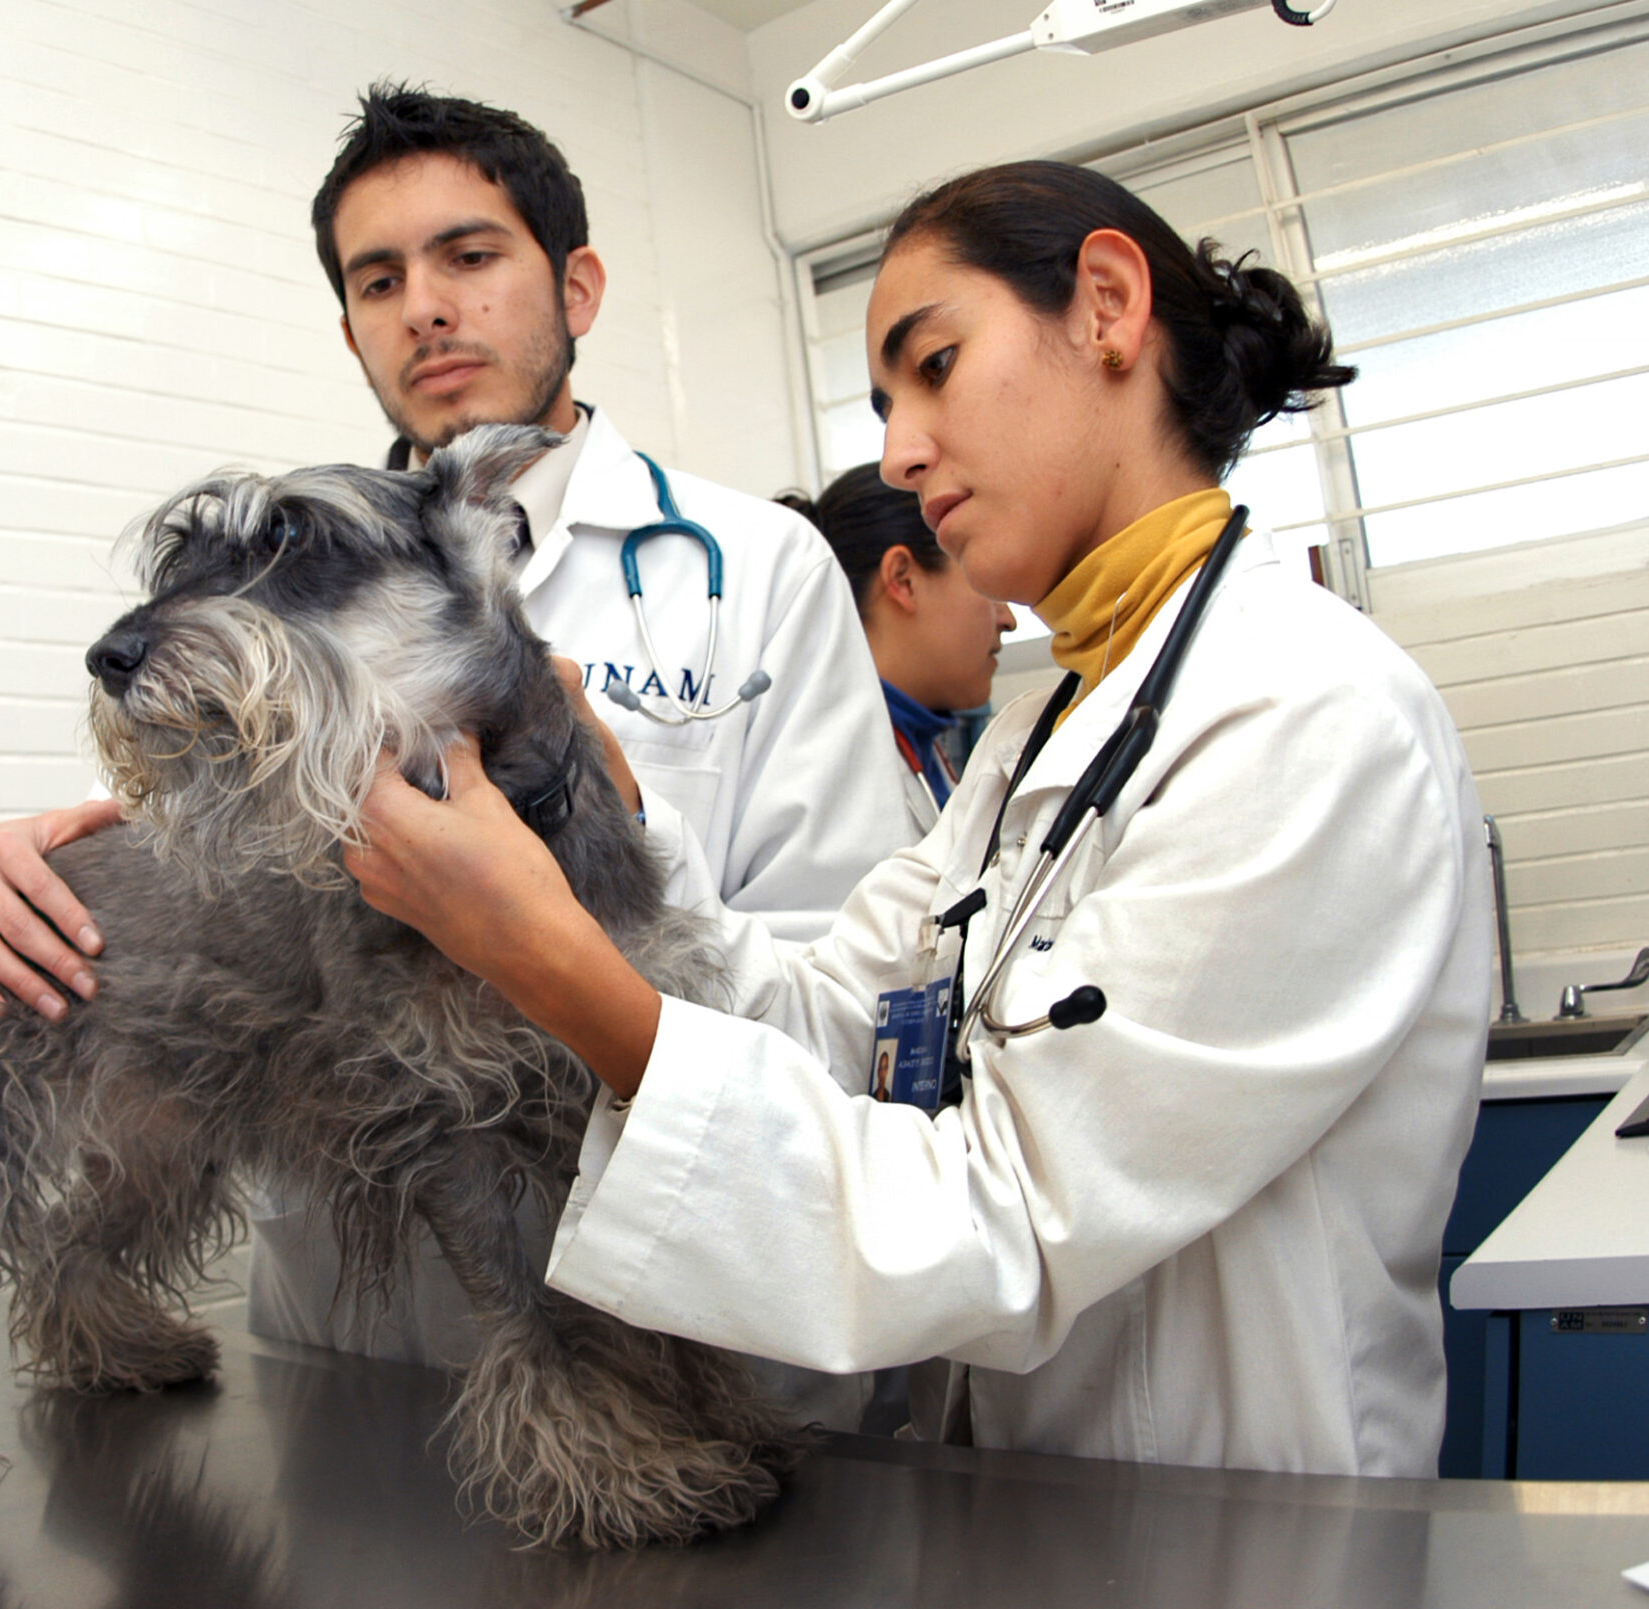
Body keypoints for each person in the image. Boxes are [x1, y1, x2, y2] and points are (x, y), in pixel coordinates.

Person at [343, 160, 1494, 1477]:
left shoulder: (1311, 713)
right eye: (889, 400)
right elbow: (834, 1025)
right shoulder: (1035, 739)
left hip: (1245, 1520)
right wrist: (619, 816)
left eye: (934, 366)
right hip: (1036, 1505)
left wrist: (548, 964)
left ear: (1108, 305)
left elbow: (1005, 1219)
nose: (896, 451)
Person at [0, 86, 920, 1422]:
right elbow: (205, 852)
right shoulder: (268, 573)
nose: (427, 308)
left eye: (471, 256)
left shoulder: (756, 564)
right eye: (379, 279)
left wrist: (583, 862)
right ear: (350, 328)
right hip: (355, 1354)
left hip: (693, 1312)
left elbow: (842, 976)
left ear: (577, 283)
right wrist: (5, 862)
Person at [783, 463, 1016, 829]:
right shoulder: (831, 777)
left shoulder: (919, 747)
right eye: (983, 578)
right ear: (904, 580)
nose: (1008, 619)